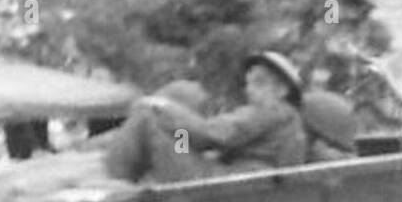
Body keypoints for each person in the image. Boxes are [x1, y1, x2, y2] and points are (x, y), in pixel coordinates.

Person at [105, 54, 307, 182]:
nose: (250, 90)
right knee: (174, 132)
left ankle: (113, 182)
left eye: (259, 83)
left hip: (215, 184)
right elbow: (203, 139)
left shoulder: (273, 111)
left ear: (282, 89)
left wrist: (164, 107)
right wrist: (178, 129)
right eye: (249, 83)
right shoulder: (286, 119)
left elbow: (212, 133)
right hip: (228, 181)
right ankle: (121, 177)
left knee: (148, 117)